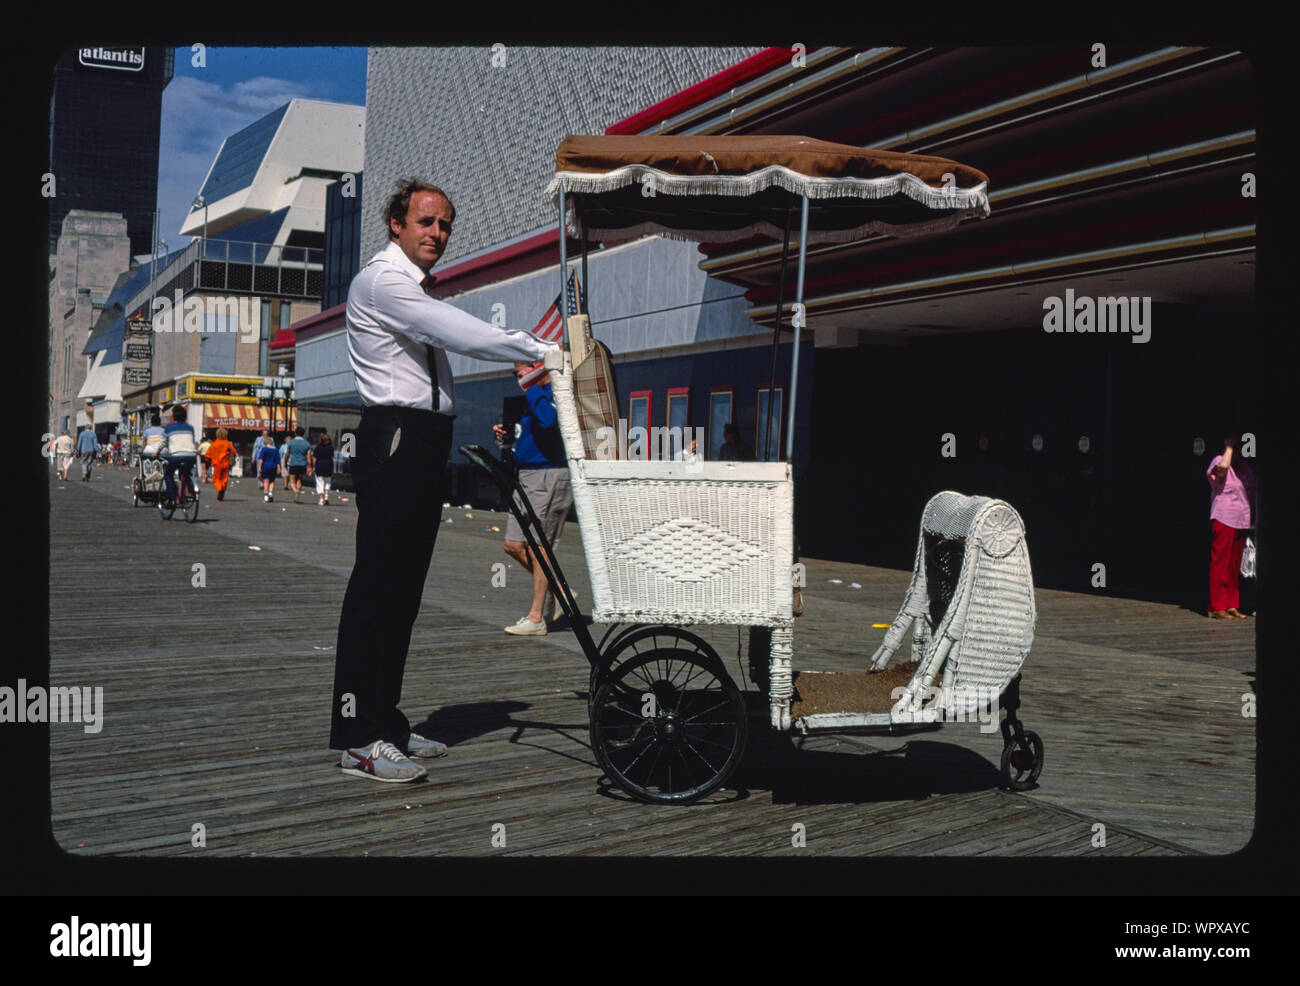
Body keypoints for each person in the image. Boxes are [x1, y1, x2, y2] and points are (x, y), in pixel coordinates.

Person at [329, 178, 556, 783]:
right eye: (426, 221)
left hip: (424, 441)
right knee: (377, 589)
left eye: (446, 224)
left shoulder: (408, 287)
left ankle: (387, 723)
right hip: (397, 437)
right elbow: (455, 330)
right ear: (396, 225)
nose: (437, 233)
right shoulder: (382, 282)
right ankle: (357, 737)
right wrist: (539, 348)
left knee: (403, 594)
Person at [494, 361, 575, 635]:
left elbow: (549, 420)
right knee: (512, 544)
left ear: (541, 368)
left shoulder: (557, 392)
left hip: (549, 475)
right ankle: (560, 590)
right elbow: (534, 434)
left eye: (524, 372)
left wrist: (531, 386)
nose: (520, 380)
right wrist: (507, 439)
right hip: (528, 475)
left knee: (541, 546)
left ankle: (536, 617)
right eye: (517, 376)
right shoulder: (535, 396)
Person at [1206, 431, 1256, 619]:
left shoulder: (1242, 466)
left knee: (1234, 565)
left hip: (1242, 519)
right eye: (1235, 448)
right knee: (1221, 562)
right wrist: (1228, 447)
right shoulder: (1219, 460)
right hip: (1224, 517)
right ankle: (1216, 605)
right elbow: (1222, 469)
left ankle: (1231, 604)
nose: (1237, 452)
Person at [160, 405, 199, 505]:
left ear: (174, 416)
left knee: (168, 474)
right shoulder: (190, 428)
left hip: (176, 456)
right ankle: (192, 489)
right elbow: (192, 441)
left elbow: (163, 443)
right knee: (185, 473)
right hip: (191, 456)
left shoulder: (169, 427)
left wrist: (157, 452)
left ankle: (172, 498)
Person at [206, 427, 237, 501]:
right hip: (226, 464)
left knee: (216, 479)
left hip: (217, 464)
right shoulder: (229, 444)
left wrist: (208, 460)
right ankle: (221, 496)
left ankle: (219, 488)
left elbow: (207, 454)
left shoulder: (214, 444)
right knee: (224, 480)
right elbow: (235, 452)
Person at [286, 426, 312, 503]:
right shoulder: (307, 444)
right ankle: (298, 491)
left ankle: (295, 491)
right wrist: (309, 466)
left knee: (292, 480)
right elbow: (308, 456)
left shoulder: (291, 442)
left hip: (293, 463)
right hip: (302, 464)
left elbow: (287, 454)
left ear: (295, 433)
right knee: (299, 479)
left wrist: (285, 462)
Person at [312, 432, 335, 506]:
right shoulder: (331, 448)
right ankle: (326, 497)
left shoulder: (318, 447)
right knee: (328, 482)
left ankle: (321, 500)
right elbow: (332, 456)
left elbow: (315, 458)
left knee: (320, 483)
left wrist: (313, 466)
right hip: (329, 465)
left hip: (320, 465)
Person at [255, 437, 281, 502]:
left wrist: (259, 466)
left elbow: (261, 459)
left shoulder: (264, 449)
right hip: (273, 467)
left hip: (265, 466)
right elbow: (278, 461)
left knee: (266, 481)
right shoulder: (276, 450)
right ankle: (270, 492)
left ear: (265, 443)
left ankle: (266, 495)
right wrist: (278, 468)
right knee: (272, 481)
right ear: (271, 443)